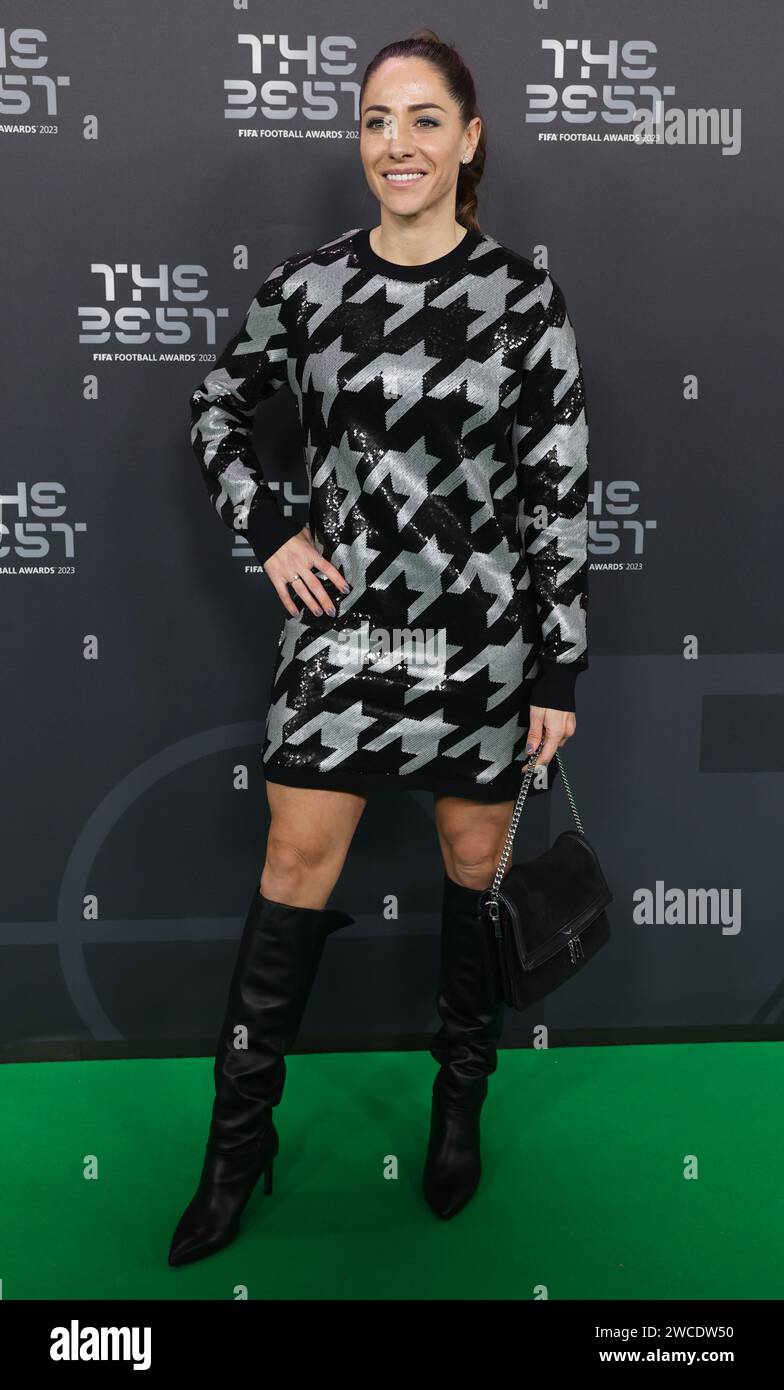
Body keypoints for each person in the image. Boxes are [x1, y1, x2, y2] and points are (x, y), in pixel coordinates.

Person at [168, 27, 590, 1267]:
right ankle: (237, 1148)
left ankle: (458, 1108)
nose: (392, 144)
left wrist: (556, 666)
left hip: (482, 648)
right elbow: (214, 409)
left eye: (419, 120)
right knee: (293, 865)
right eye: (372, 120)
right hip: (346, 640)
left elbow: (560, 489)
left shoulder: (523, 298)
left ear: (469, 140)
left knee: (475, 873)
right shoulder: (308, 288)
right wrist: (271, 528)